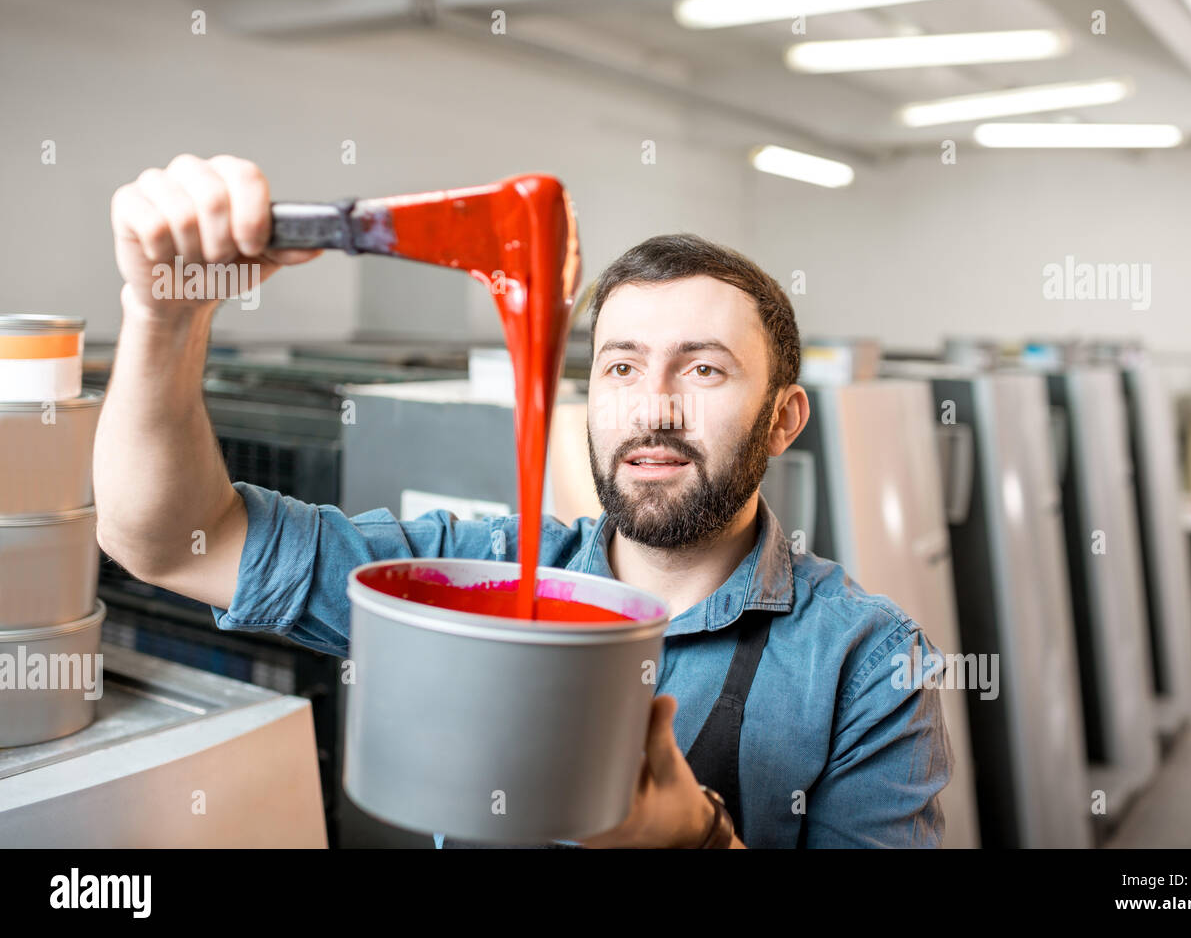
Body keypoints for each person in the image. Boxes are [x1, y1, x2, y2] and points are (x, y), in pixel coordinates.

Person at [95, 154, 953, 849]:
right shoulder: (485, 578)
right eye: (621, 365)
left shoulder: (866, 664)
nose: (653, 407)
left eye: (703, 368)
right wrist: (165, 316)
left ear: (783, 418)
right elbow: (168, 542)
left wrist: (694, 842)